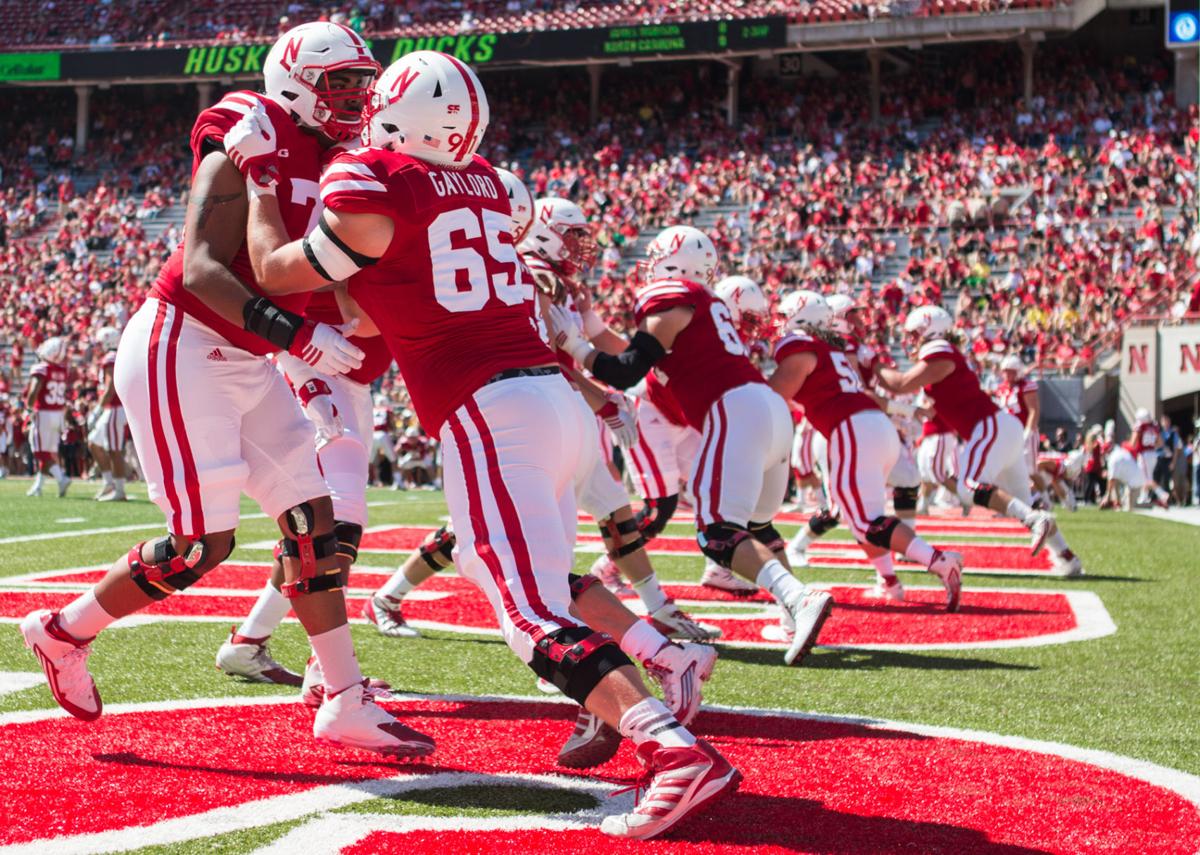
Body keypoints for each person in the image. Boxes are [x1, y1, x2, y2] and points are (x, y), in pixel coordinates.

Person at [235, 52, 739, 839]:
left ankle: (673, 752)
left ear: (397, 114)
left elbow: (270, 268)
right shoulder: (485, 184)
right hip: (546, 399)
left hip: (488, 405)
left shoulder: (375, 178)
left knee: (527, 611)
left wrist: (263, 187)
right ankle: (659, 660)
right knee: (518, 569)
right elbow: (376, 306)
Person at [19, 23, 434, 759]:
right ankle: (62, 630)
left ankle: (343, 695)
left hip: (248, 358)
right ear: (297, 81)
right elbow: (206, 265)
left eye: (360, 84)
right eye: (340, 83)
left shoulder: (344, 160)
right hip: (183, 345)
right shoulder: (254, 129)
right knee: (198, 546)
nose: (356, 97)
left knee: (313, 523)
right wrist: (299, 338)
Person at [552, 224, 834, 665]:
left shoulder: (670, 296)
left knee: (717, 532)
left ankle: (797, 598)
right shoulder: (707, 306)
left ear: (669, 261)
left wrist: (573, 344)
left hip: (734, 408)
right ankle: (792, 611)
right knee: (753, 526)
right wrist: (588, 329)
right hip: (771, 411)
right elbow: (637, 355)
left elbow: (625, 370)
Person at [768, 292, 963, 605]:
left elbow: (775, 393)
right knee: (861, 516)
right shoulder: (832, 346)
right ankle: (889, 582)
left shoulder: (803, 346)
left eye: (783, 316)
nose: (778, 324)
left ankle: (939, 560)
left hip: (850, 429)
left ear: (800, 318)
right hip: (872, 426)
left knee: (865, 521)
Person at [875, 306, 1083, 577]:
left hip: (989, 427)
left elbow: (900, 383)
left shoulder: (940, 350)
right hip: (1000, 427)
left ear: (930, 331)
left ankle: (1035, 519)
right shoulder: (945, 357)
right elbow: (939, 406)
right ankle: (1066, 557)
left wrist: (873, 365)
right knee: (1022, 499)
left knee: (968, 486)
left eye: (914, 334)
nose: (911, 341)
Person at [24, 336, 71, 498]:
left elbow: (34, 391)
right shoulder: (62, 370)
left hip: (43, 412)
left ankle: (61, 477)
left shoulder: (42, 368)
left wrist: (28, 409)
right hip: (57, 414)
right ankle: (38, 486)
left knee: (38, 451)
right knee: (48, 452)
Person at [86, 326, 128, 501]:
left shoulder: (110, 358)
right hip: (112, 409)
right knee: (94, 444)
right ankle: (108, 482)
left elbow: (110, 387)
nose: (98, 347)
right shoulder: (114, 356)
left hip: (114, 408)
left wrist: (98, 409)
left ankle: (119, 490)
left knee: (114, 450)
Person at [994, 354, 1043, 499]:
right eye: (1005, 371)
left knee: (1030, 470)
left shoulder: (1026, 386)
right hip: (1007, 435)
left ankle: (1045, 496)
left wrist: (1028, 432)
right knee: (1004, 470)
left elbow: (1034, 410)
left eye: (1011, 371)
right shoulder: (1001, 388)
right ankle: (1009, 502)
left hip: (1024, 432)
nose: (1007, 374)